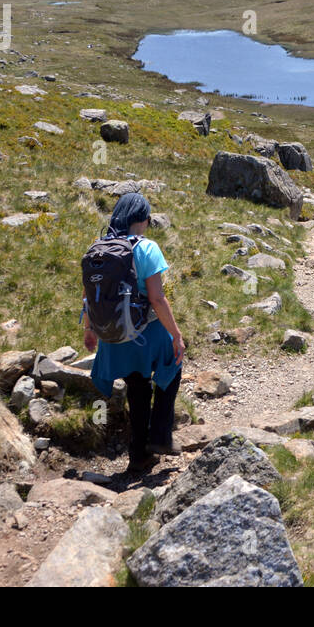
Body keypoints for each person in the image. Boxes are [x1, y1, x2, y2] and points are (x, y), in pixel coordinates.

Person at [82, 193, 186, 471]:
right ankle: (161, 437)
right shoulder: (147, 248)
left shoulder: (97, 248)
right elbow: (157, 298)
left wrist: (89, 330)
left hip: (112, 337)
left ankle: (138, 455)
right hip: (145, 333)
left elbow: (89, 296)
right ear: (142, 220)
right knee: (172, 365)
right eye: (148, 219)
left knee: (137, 387)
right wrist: (176, 334)